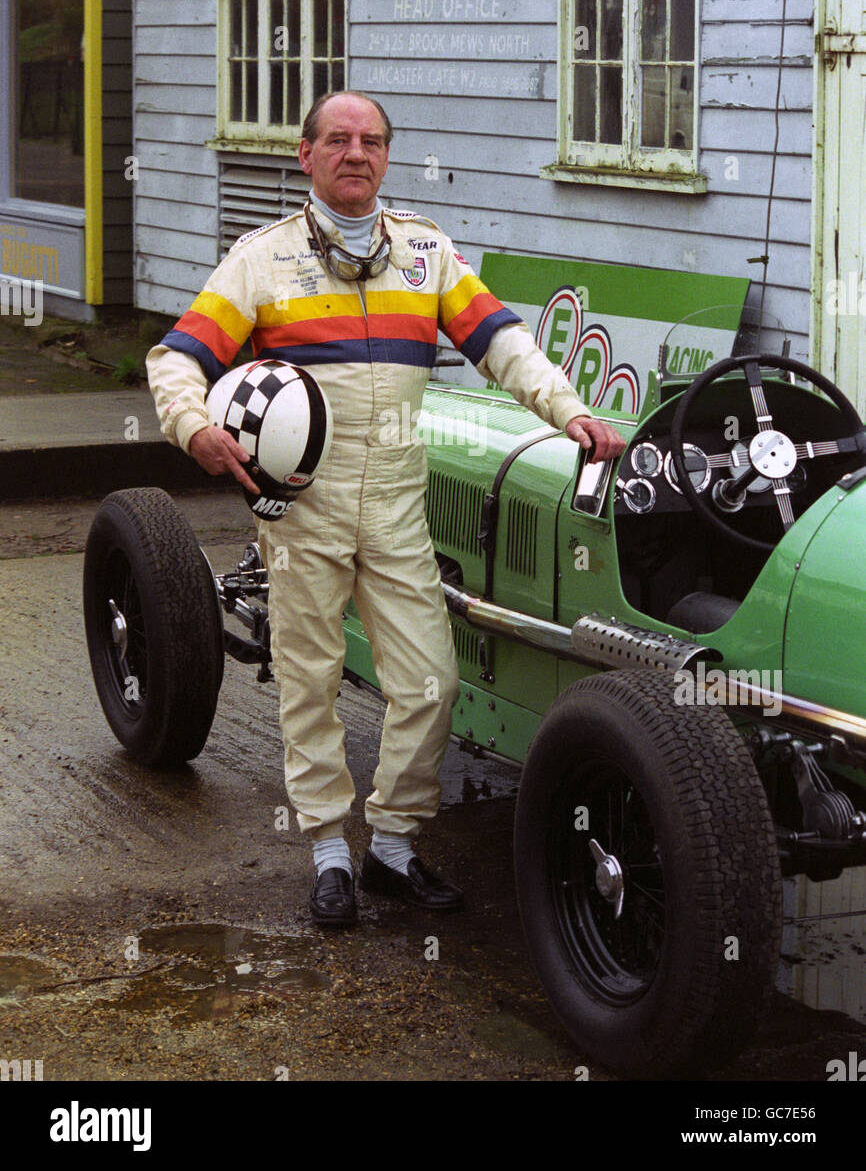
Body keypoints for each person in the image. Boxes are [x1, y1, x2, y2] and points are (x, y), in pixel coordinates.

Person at [147, 91, 625, 927]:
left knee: (431, 683)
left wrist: (570, 411)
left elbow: (502, 342)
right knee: (310, 681)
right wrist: (194, 428)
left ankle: (394, 850)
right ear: (305, 156)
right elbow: (177, 356)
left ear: (387, 158)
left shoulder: (426, 252)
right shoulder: (260, 261)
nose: (355, 154)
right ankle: (329, 852)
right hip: (300, 513)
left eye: (370, 141)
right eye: (337, 140)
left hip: (401, 508)